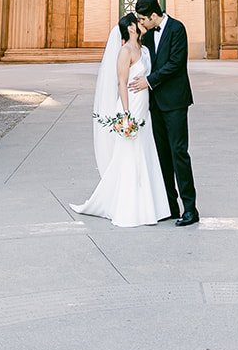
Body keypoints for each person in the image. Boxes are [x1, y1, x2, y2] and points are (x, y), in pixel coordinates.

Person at [71, 12, 170, 228]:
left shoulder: (144, 50)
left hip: (144, 108)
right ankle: (130, 207)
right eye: (138, 21)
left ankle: (149, 205)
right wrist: (126, 113)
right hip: (131, 106)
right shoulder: (125, 52)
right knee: (130, 155)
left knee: (145, 151)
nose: (142, 23)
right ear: (132, 28)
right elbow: (121, 83)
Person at [131, 0, 198, 225]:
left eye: (143, 19)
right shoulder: (148, 34)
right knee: (162, 156)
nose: (141, 23)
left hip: (175, 102)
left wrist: (148, 81)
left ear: (153, 15)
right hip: (155, 104)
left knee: (179, 153)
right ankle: (170, 207)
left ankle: (190, 209)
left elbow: (175, 64)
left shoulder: (177, 29)